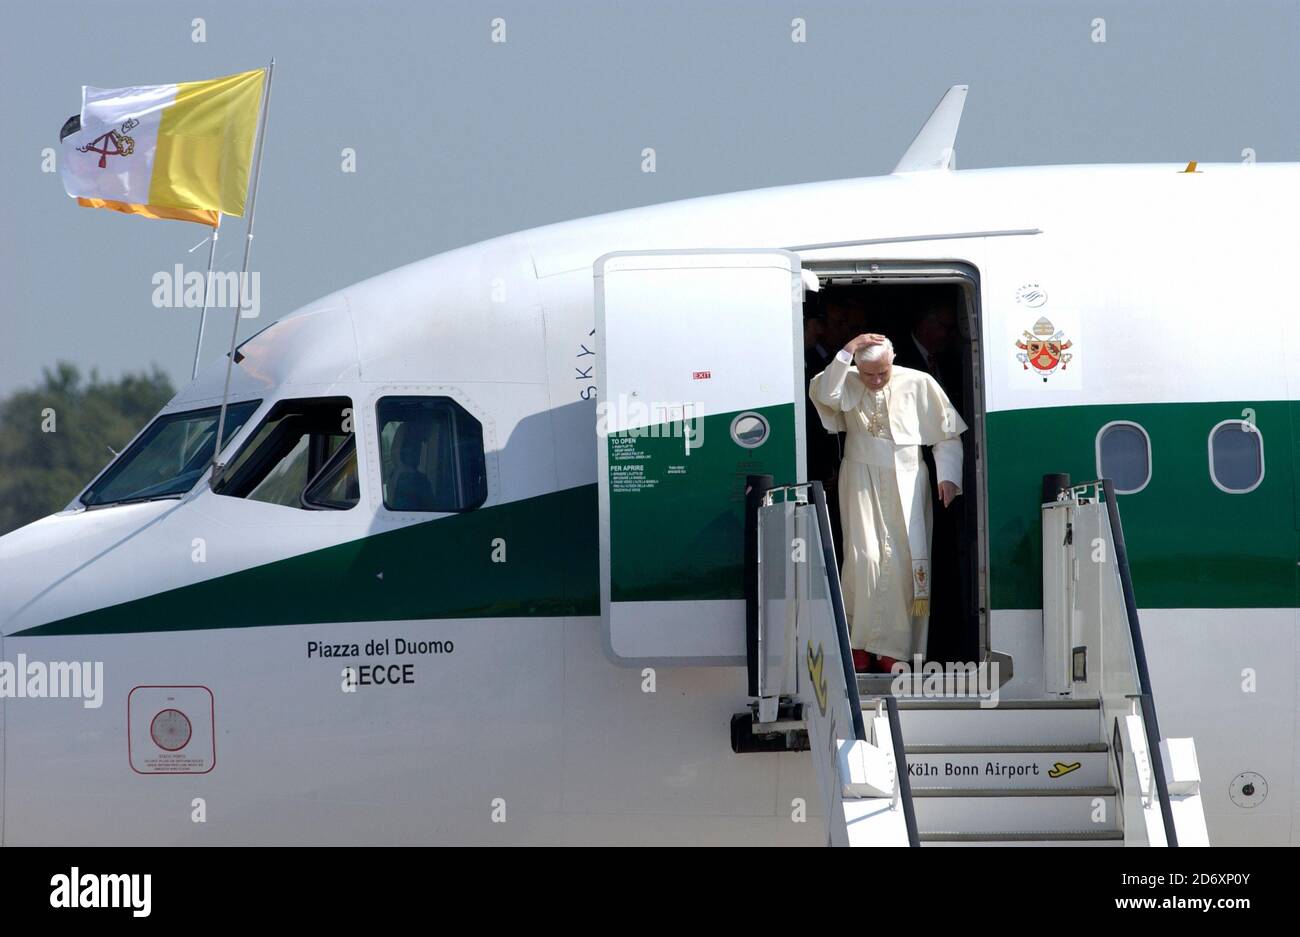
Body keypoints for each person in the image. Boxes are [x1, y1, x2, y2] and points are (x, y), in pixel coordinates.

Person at [809, 333, 967, 673]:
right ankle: (858, 644)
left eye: (883, 372)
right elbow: (825, 395)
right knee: (863, 559)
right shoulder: (844, 379)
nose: (877, 380)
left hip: (909, 479)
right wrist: (848, 349)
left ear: (893, 359)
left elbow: (947, 434)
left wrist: (948, 477)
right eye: (869, 374)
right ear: (857, 366)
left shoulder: (919, 382)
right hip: (861, 478)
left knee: (902, 564)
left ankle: (893, 649)